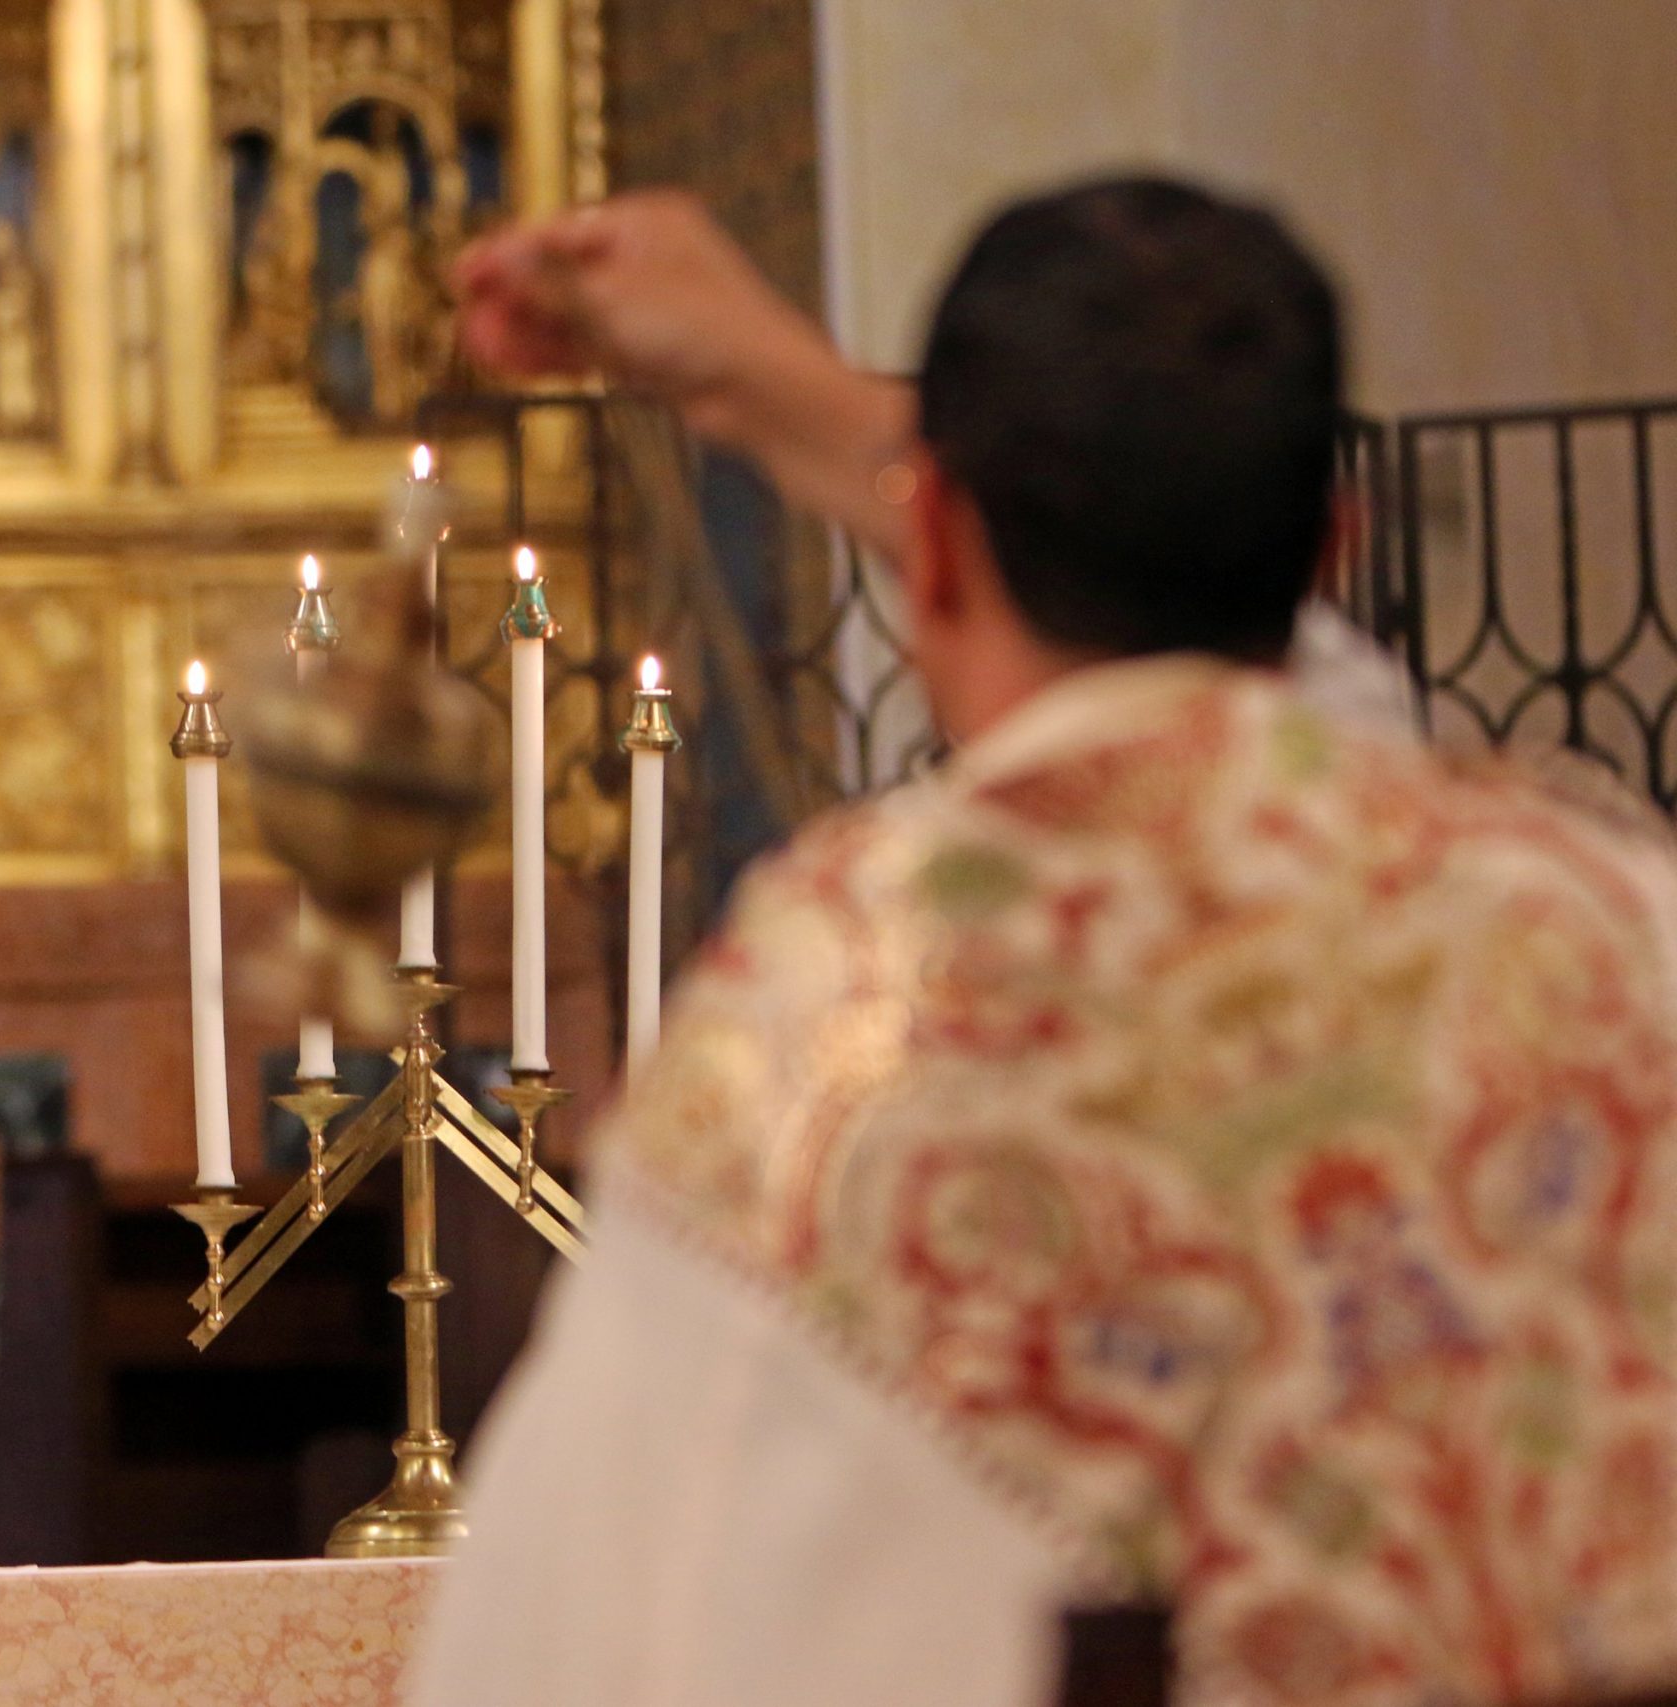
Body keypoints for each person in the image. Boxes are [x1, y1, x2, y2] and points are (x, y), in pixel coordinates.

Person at [410, 179, 1677, 1707]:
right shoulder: (1614, 917)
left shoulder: (839, 1014)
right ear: (1333, 548)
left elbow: (559, 1648)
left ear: (928, 536)